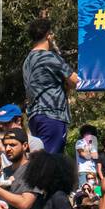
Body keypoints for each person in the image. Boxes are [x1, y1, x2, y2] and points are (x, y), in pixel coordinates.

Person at [22, 18, 78, 154]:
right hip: (52, 115)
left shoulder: (27, 61)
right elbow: (75, 81)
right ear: (48, 35)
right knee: (49, 162)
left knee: (41, 159)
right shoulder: (49, 57)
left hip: (35, 116)